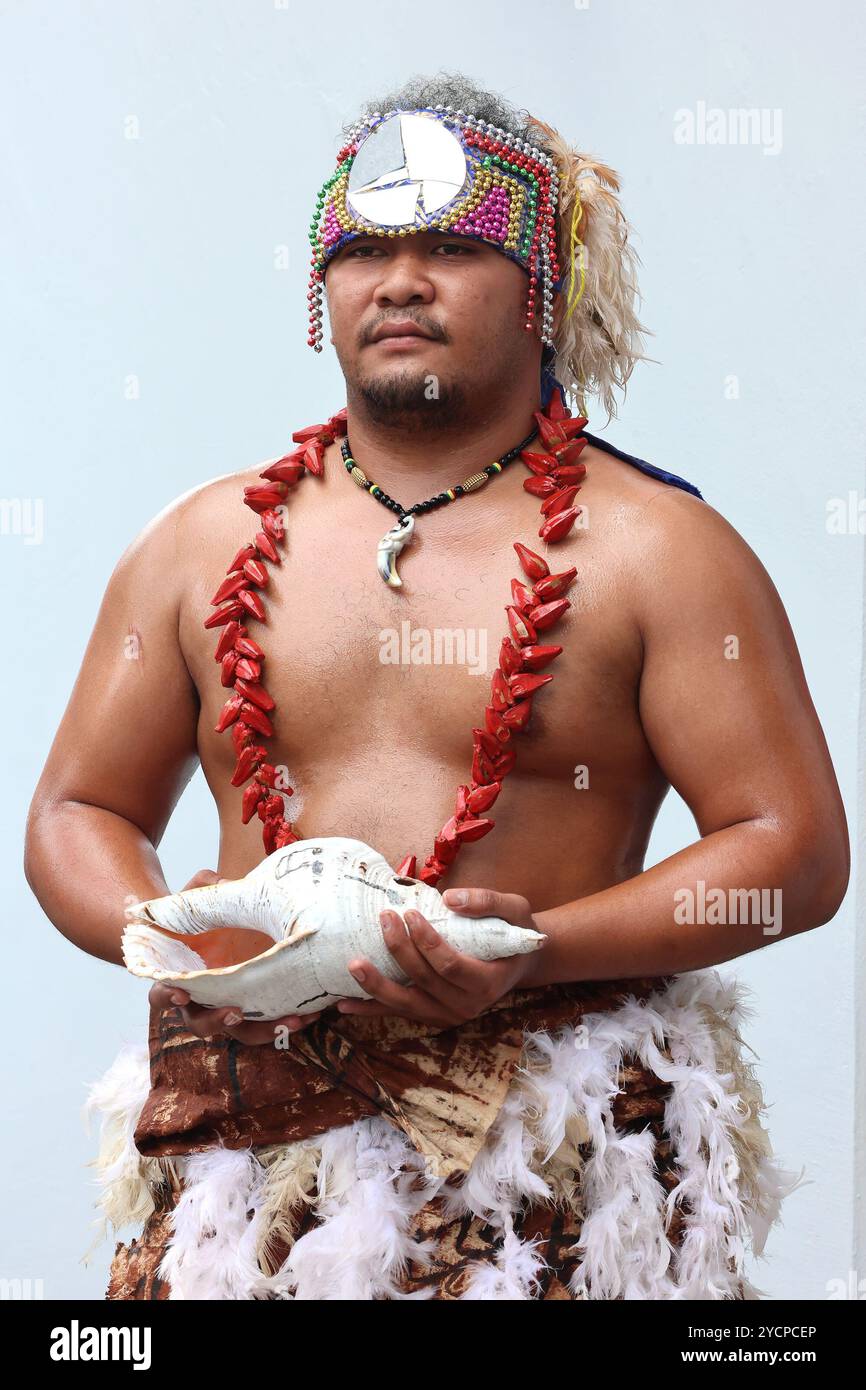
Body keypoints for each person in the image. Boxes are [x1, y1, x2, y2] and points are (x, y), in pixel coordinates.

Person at [26, 74, 848, 1301]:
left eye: (454, 247)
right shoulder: (200, 545)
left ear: (544, 285)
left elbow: (791, 849)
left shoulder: (657, 552)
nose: (398, 280)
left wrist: (540, 947)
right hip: (247, 1160)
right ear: (323, 285)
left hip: (551, 1166)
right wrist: (163, 935)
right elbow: (74, 810)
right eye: (363, 249)